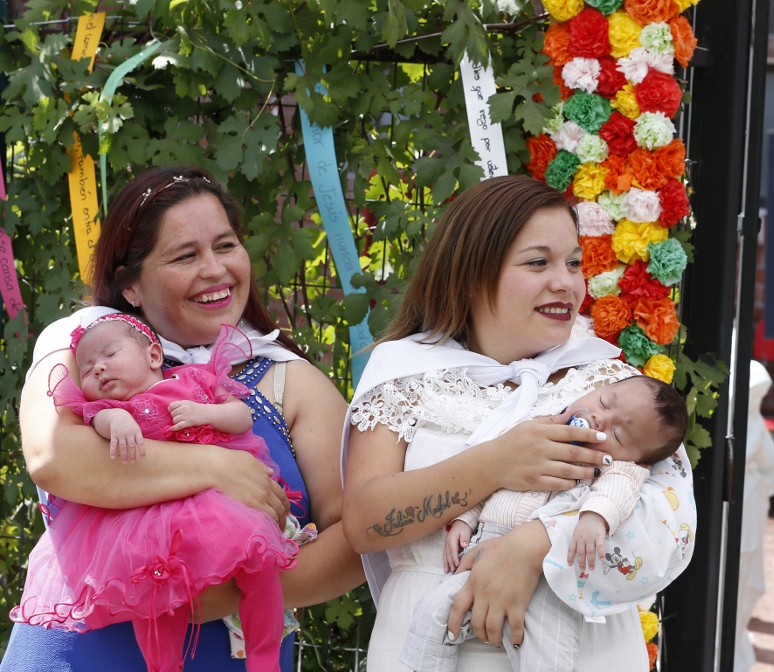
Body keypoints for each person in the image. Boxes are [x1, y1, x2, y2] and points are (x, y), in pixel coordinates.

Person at [2, 167, 365, 671]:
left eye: (226, 246)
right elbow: (54, 457)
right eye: (185, 256)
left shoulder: (289, 379)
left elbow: (359, 534)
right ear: (130, 285)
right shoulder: (82, 345)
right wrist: (218, 468)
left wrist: (237, 587)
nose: (215, 269)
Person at [340, 174, 697, 672]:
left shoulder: (613, 387)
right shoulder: (403, 373)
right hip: (425, 643)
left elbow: (672, 527)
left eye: (574, 263)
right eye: (538, 262)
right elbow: (364, 524)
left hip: (587, 653)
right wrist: (495, 464)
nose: (566, 282)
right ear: (471, 272)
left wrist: (535, 545)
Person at [13, 315, 299, 672]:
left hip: (216, 508)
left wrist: (206, 413)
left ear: (153, 356)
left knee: (259, 560)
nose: (98, 368)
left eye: (110, 354)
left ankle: (264, 658)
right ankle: (163, 666)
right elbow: (96, 424)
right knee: (155, 590)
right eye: (86, 369)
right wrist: (116, 421)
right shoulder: (108, 411)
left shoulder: (193, 380)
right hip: (149, 520)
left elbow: (241, 416)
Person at [400, 374, 688, 672]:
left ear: (639, 460)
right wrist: (465, 519)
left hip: (553, 576)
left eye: (618, 434)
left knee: (549, 653)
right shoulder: (537, 430)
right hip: (483, 554)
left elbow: (617, 492)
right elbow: (492, 484)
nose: (600, 419)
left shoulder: (616, 468)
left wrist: (594, 518)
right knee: (434, 610)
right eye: (604, 402)